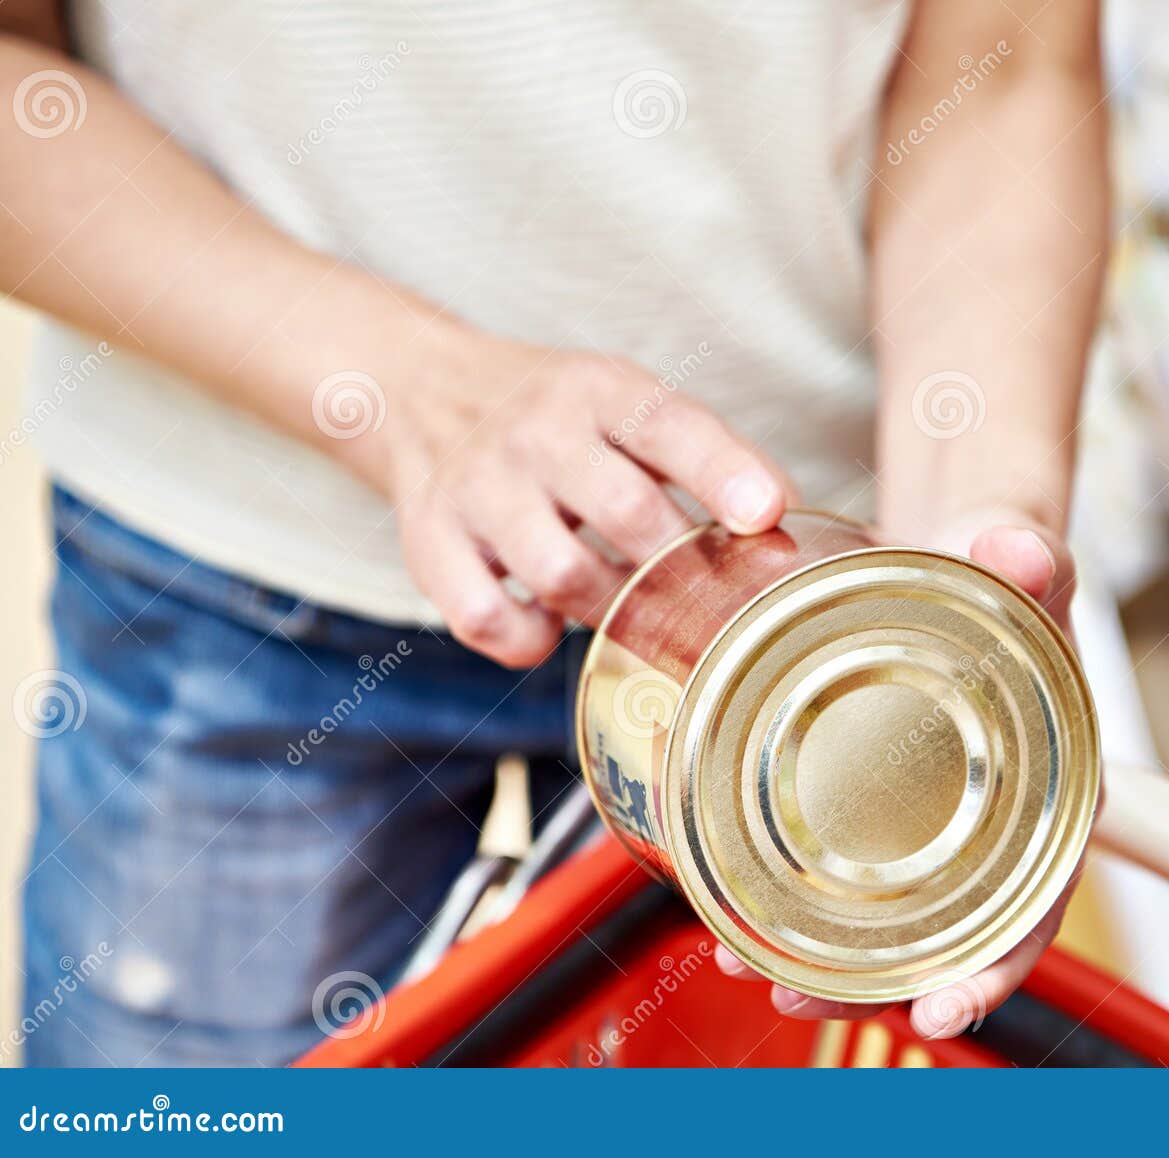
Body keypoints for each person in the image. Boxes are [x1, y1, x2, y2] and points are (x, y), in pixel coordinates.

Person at [0, 0, 1107, 1065]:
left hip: (800, 641)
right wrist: (403, 390)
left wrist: (970, 553)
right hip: (246, 574)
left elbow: (1004, 66)